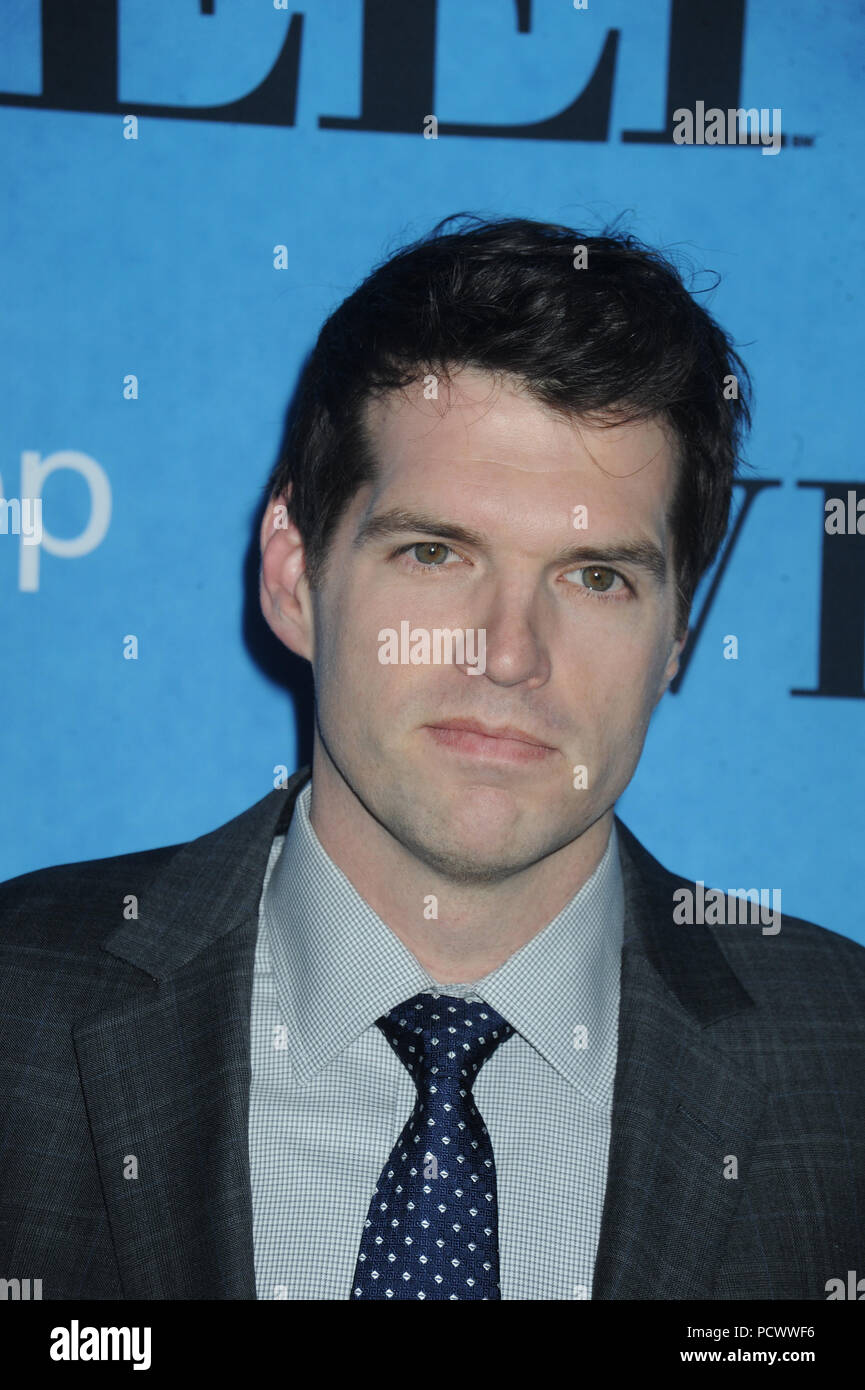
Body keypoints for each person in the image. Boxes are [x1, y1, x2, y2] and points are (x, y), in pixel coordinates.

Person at [1, 215, 863, 1302]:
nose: (509, 654)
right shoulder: (18, 1011)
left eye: (596, 577)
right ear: (293, 575)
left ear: (677, 633)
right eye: (433, 551)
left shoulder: (845, 1069)